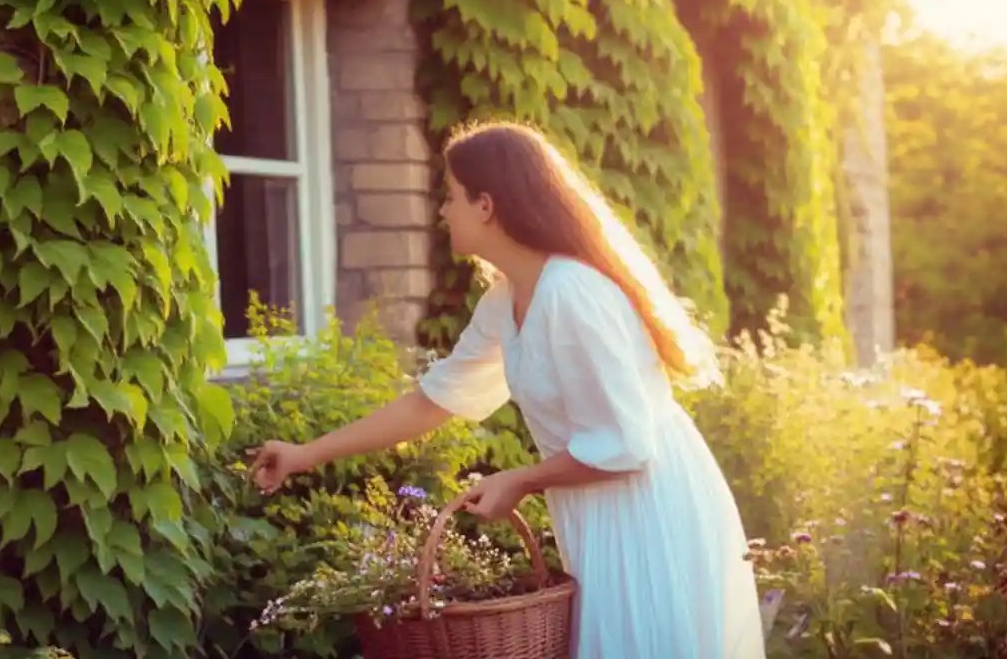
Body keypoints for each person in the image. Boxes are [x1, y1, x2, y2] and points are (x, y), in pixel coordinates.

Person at [247, 121, 767, 658]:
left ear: (487, 205)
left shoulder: (572, 293)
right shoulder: (507, 299)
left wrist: (521, 479)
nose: (443, 211)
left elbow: (628, 445)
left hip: (648, 513)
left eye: (451, 197)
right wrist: (306, 455)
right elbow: (433, 400)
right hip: (598, 513)